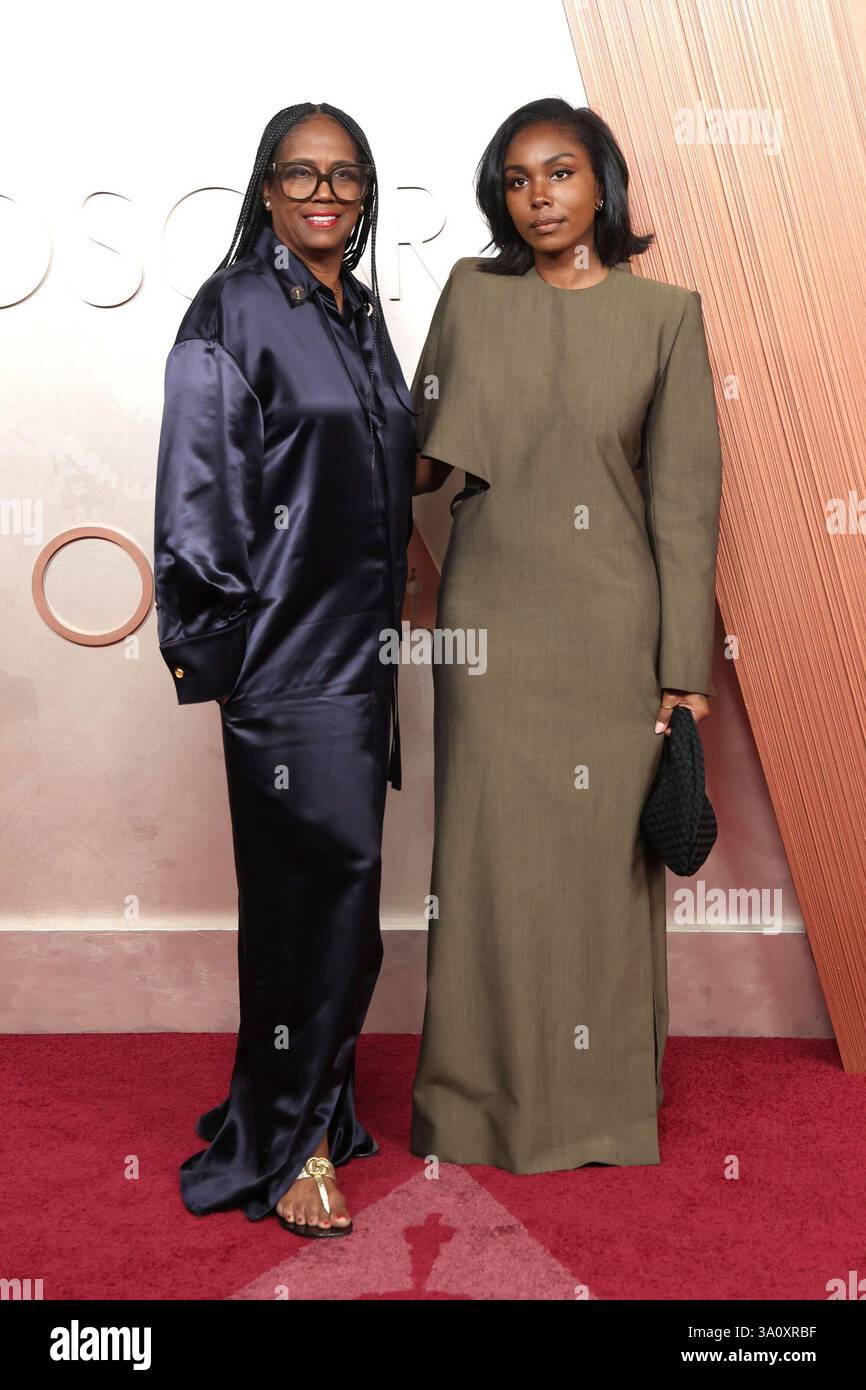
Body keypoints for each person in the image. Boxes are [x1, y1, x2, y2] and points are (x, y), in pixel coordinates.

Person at [410, 98, 722, 1173]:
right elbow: (417, 460)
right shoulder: (468, 294)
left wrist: (684, 674)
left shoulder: (664, 315)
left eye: (559, 173)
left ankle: (595, 1107)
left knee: (596, 869)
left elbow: (683, 504)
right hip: (489, 619)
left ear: (603, 186)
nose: (537, 196)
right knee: (488, 860)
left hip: (609, 627)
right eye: (515, 179)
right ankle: (473, 1106)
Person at [153, 102, 416, 1234]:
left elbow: (380, 461)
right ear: (264, 189)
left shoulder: (358, 312)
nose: (322, 190)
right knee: (321, 901)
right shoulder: (233, 310)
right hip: (285, 666)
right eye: (298, 173)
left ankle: (308, 1102)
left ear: (364, 196)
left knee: (330, 904)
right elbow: (196, 492)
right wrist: (228, 660)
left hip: (362, 661)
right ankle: (292, 1138)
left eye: (343, 175)